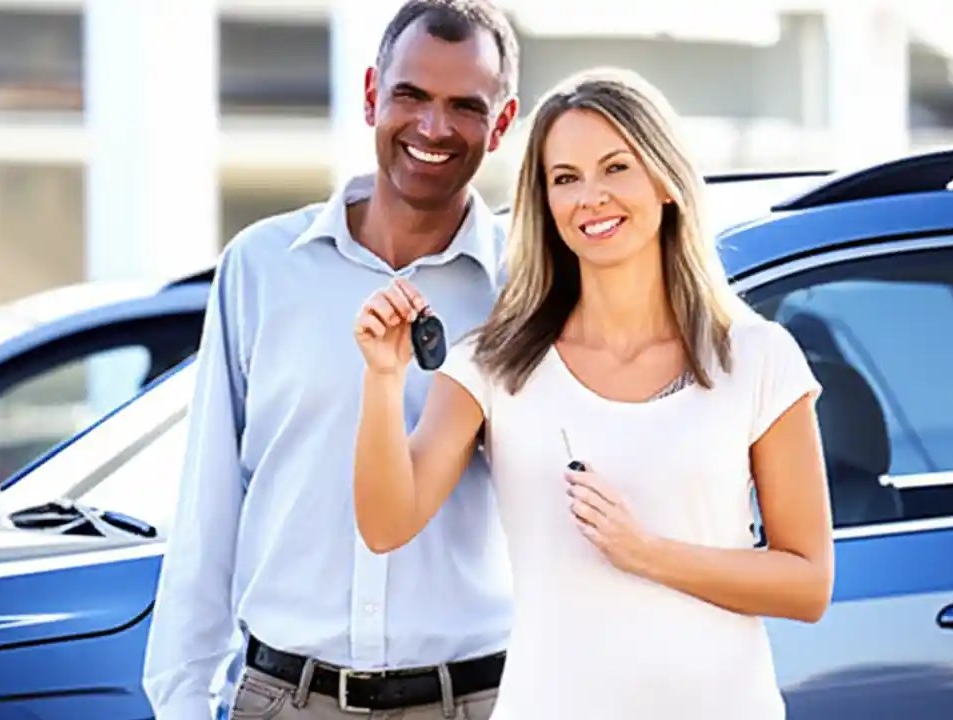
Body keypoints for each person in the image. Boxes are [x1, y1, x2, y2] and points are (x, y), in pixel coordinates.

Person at [351, 66, 835, 719]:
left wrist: (648, 553)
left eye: (616, 168)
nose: (591, 197)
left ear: (665, 181)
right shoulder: (494, 364)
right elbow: (386, 525)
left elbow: (808, 584)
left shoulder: (755, 356)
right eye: (566, 179)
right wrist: (383, 378)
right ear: (545, 204)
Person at [142, 2, 522, 719]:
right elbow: (211, 503)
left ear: (501, 124)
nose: (433, 128)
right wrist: (184, 702)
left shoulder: (525, 288)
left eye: (464, 106)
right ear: (372, 92)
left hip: (475, 701)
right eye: (411, 96)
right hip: (284, 698)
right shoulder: (262, 267)